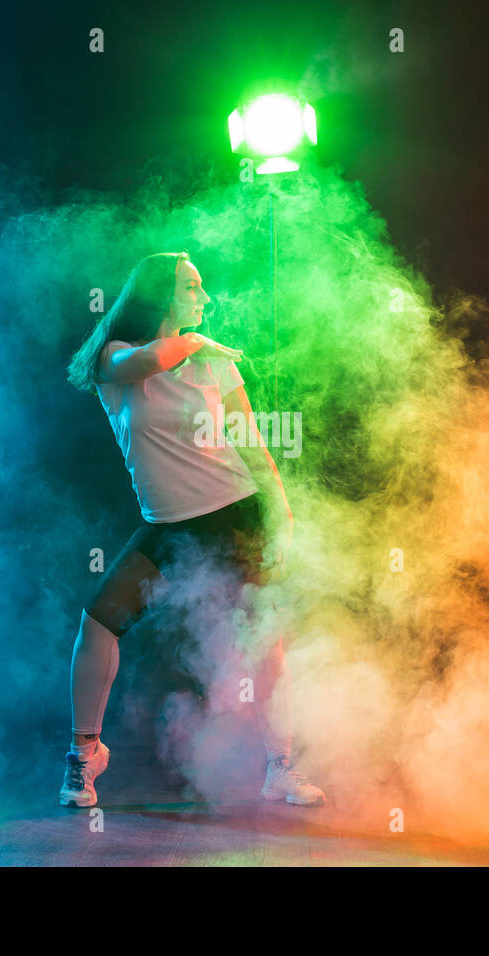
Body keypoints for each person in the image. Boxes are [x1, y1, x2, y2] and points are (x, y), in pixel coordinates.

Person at [59, 251, 324, 809]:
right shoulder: (114, 359)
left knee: (263, 640)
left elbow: (249, 440)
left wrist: (282, 510)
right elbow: (151, 361)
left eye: (201, 289)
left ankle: (281, 767)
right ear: (160, 296)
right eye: (191, 287)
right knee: (97, 625)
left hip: (234, 512)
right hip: (166, 525)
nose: (203, 298)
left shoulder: (216, 365)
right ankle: (84, 758)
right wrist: (199, 343)